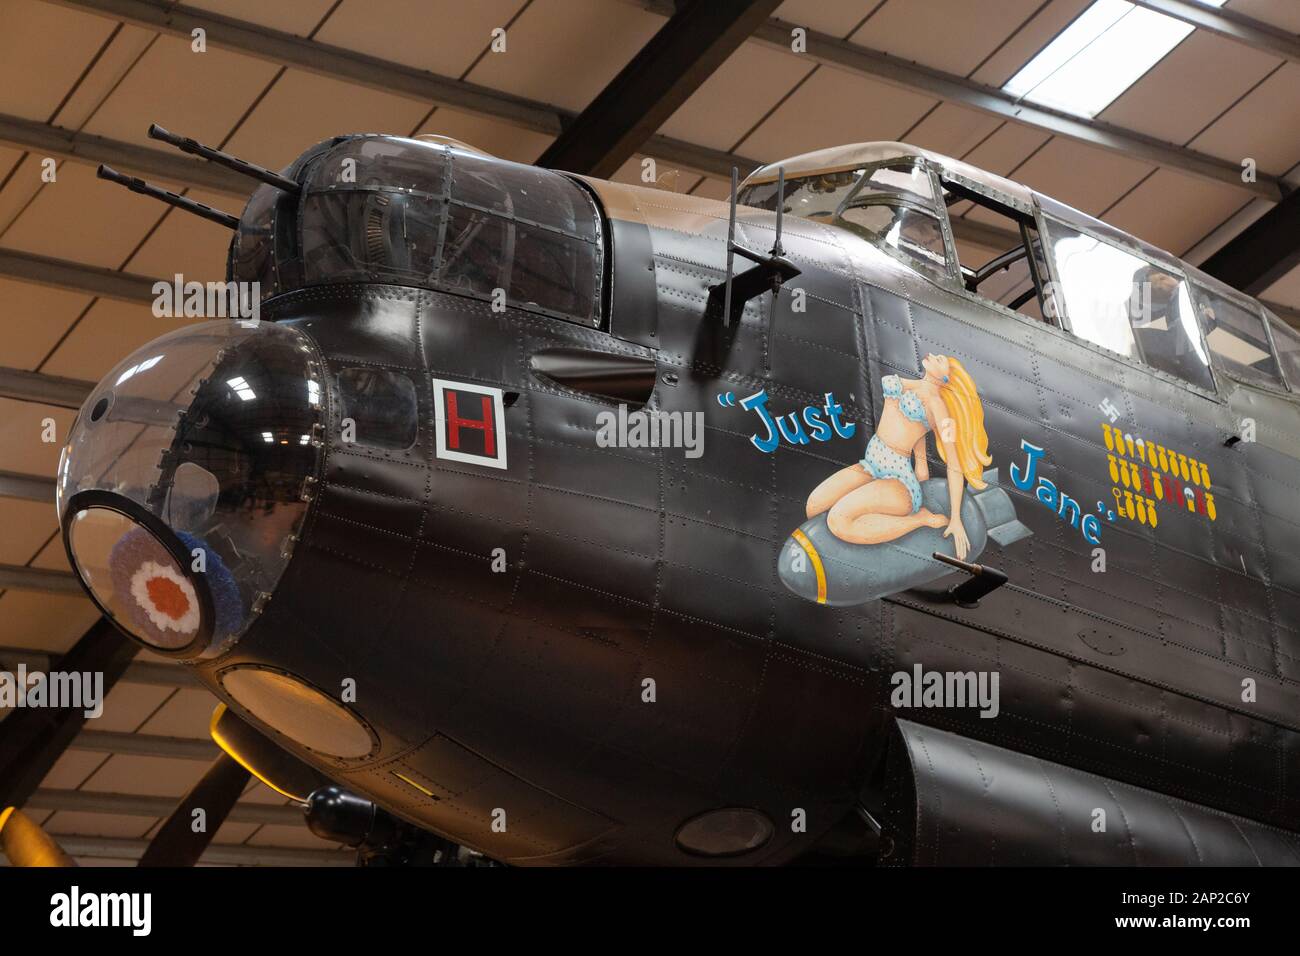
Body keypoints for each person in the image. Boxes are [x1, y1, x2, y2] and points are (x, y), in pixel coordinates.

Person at [804, 353, 991, 560]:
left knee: (838, 520)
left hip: (898, 479)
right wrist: (922, 467)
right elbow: (917, 439)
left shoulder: (938, 407)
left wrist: (956, 518)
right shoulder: (911, 385)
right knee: (814, 505)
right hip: (871, 465)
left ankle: (919, 520)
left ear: (946, 378)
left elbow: (954, 464)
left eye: (940, 360)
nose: (932, 355)